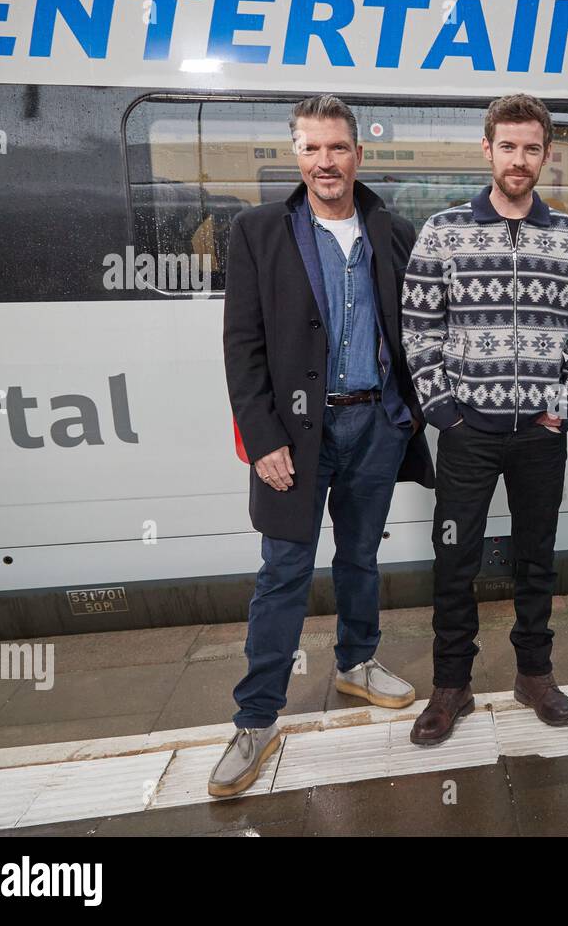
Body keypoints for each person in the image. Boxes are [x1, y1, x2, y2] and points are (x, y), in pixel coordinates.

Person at [213, 95, 434, 796]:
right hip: (295, 438)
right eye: (311, 149)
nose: (324, 161)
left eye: (336, 148)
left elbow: (417, 328)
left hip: (375, 425)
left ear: (358, 154)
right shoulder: (258, 231)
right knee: (283, 572)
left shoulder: (391, 230)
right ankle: (255, 718)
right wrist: (261, 438)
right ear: (296, 155)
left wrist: (412, 413)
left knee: (361, 556)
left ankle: (356, 662)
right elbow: (242, 346)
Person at [401, 93, 568, 746]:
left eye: (532, 148)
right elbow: (418, 327)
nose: (520, 160)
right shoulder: (443, 231)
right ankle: (451, 685)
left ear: (546, 154)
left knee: (536, 558)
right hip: (469, 435)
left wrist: (565, 410)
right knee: (454, 559)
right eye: (508, 146)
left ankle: (534, 675)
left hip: (539, 437)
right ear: (487, 150)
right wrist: (443, 412)